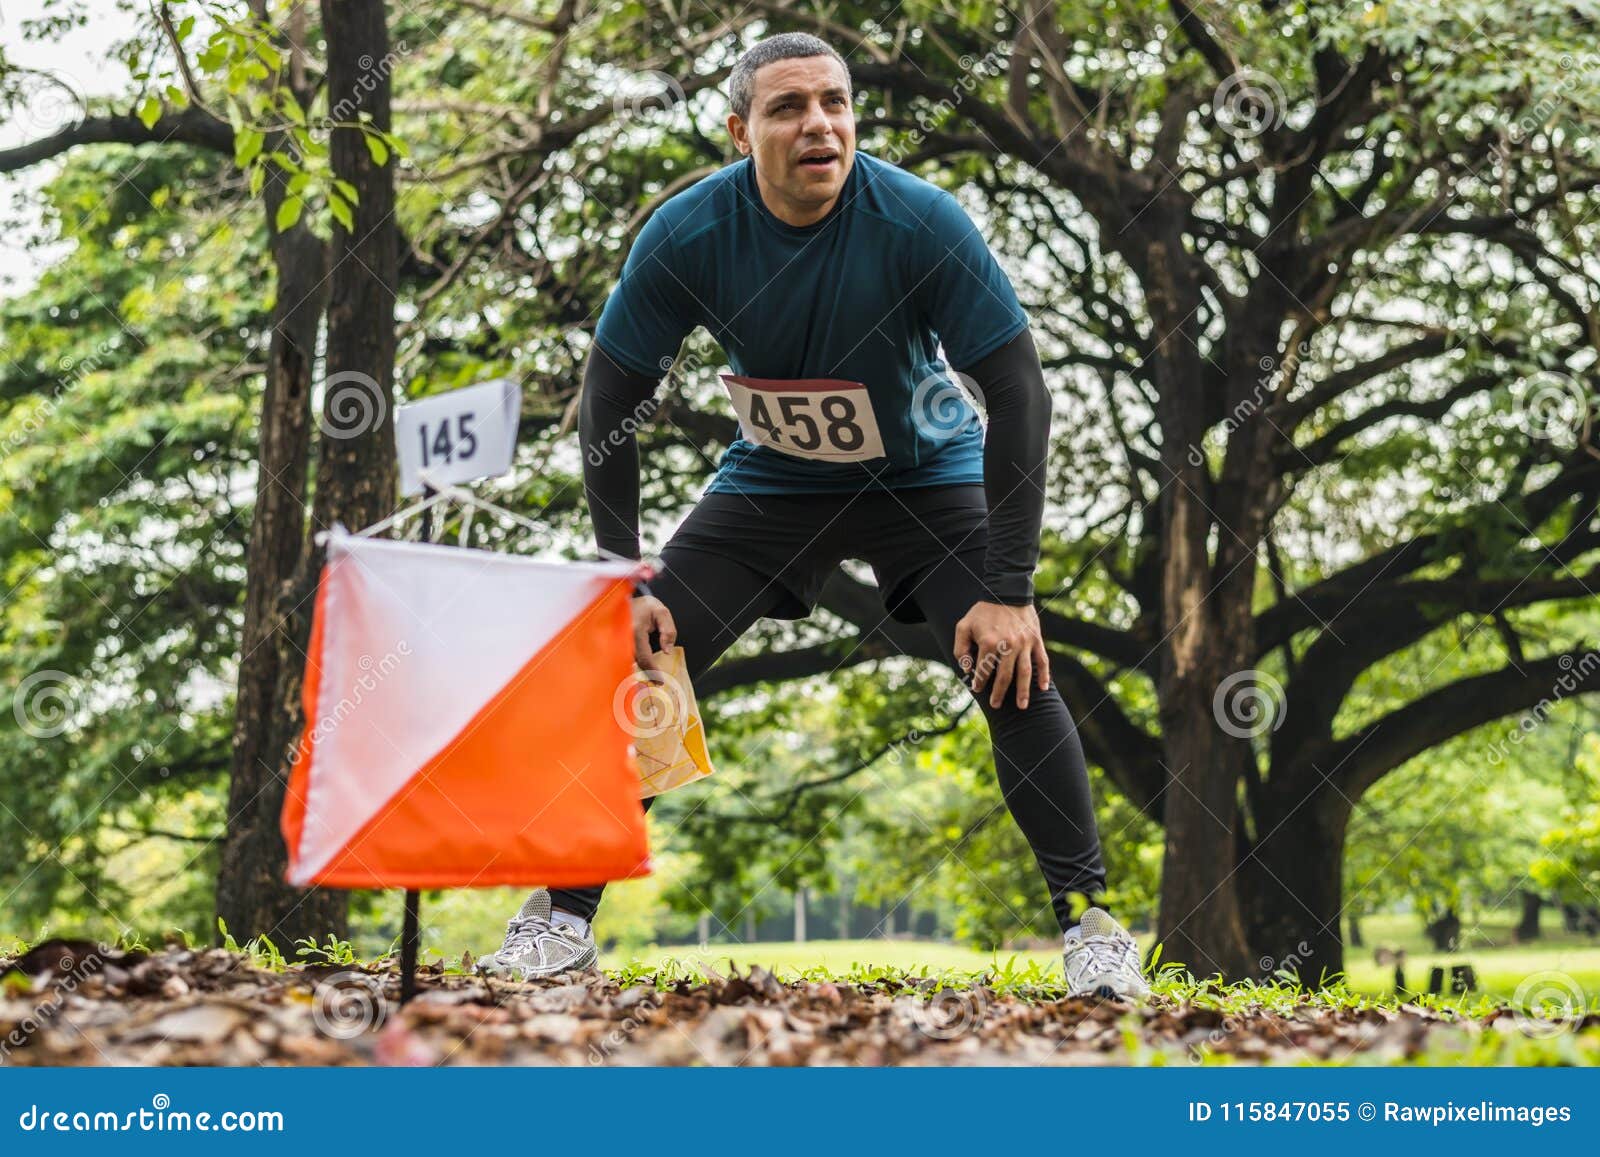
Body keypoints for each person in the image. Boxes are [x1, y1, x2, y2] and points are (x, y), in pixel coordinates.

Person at [479, 32, 1149, 1000]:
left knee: (1012, 664)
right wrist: (616, 575)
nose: (818, 124)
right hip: (774, 481)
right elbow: (609, 396)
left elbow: (1016, 385)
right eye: (787, 107)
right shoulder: (687, 232)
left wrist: (1009, 589)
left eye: (833, 102)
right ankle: (561, 918)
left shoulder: (920, 219)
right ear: (737, 128)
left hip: (926, 476)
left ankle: (1089, 926)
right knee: (642, 660)